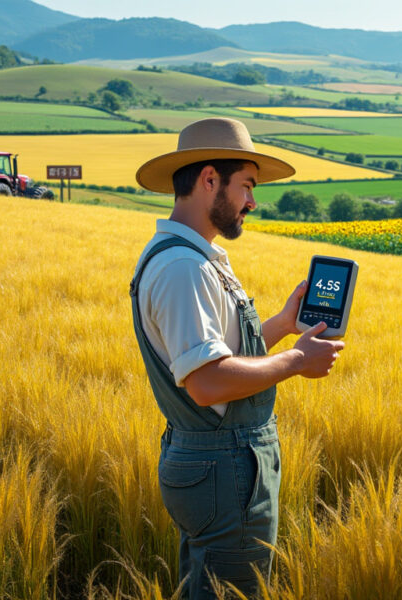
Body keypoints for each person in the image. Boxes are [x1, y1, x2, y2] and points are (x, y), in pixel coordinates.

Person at [130, 117, 344, 598]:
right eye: (246, 185)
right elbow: (207, 382)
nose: (252, 201)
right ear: (210, 180)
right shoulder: (185, 267)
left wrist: (282, 326)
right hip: (224, 468)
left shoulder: (191, 256)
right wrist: (295, 361)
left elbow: (218, 355)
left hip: (214, 465)